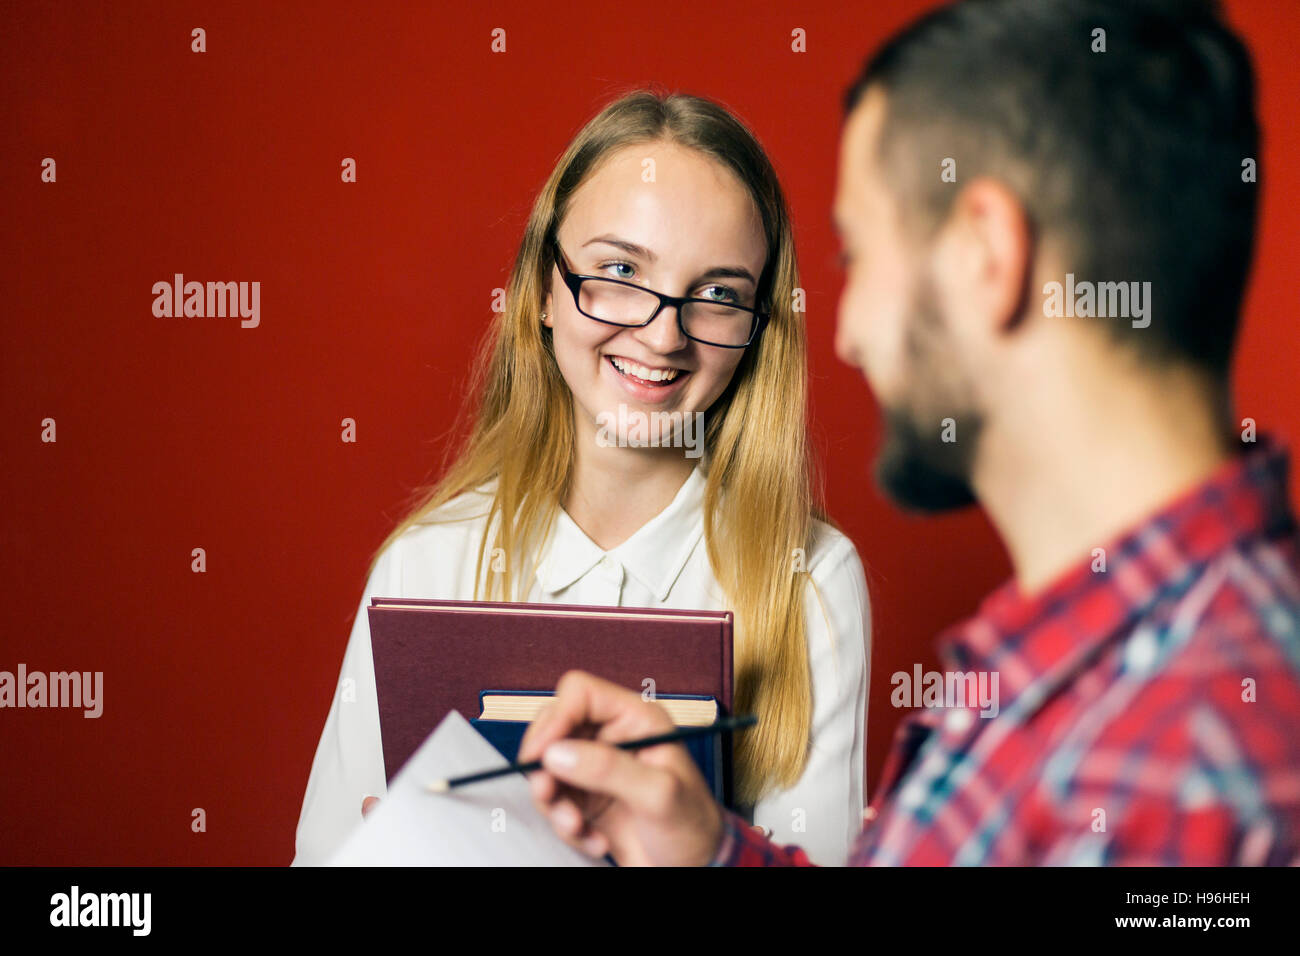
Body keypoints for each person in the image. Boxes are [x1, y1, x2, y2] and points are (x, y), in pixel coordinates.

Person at [519, 0, 1300, 866]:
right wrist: (708, 852)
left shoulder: (1179, 764)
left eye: (858, 256)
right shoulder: (1085, 670)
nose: (846, 332)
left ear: (985, 257)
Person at [290, 90, 871, 866]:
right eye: (621, 270)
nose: (664, 334)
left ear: (757, 331)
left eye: (720, 294)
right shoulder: (424, 563)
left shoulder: (811, 583)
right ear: (541, 290)